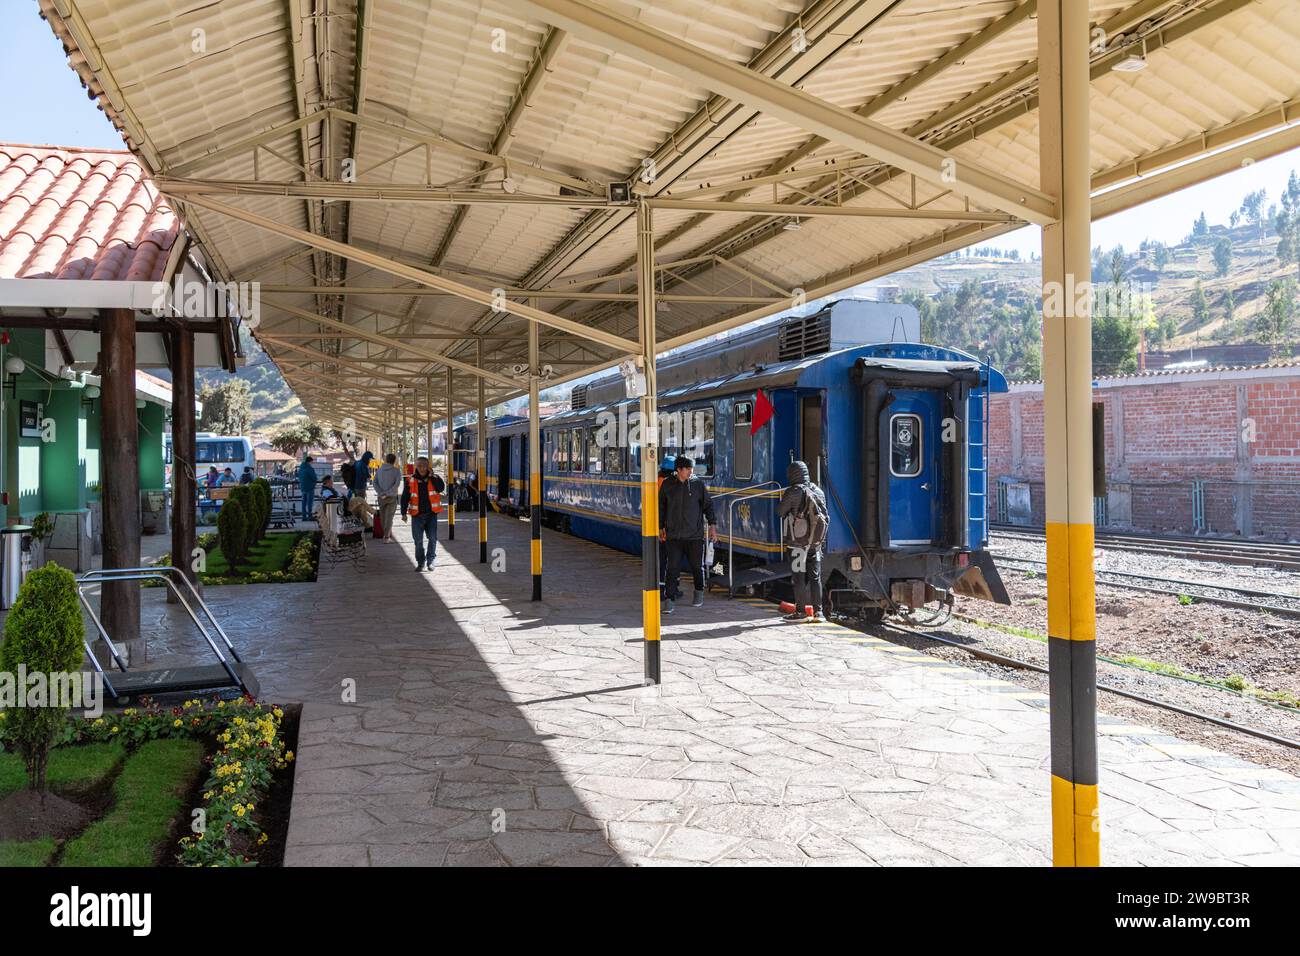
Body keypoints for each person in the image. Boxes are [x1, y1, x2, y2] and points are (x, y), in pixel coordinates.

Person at [658, 455, 716, 613]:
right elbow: (661, 506)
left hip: (694, 536)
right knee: (672, 568)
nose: (691, 471)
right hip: (674, 536)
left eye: (691, 469)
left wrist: (712, 526)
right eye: (688, 469)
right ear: (678, 470)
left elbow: (708, 506)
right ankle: (669, 600)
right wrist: (660, 526)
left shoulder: (697, 484)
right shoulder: (668, 485)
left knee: (697, 568)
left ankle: (698, 592)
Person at [778, 460, 830, 623]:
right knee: (815, 578)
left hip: (797, 545)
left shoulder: (792, 492)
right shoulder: (819, 491)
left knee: (799, 578)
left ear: (792, 474)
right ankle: (818, 613)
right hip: (815, 544)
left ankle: (800, 612)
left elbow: (780, 512)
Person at [401, 456, 446, 572]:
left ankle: (430, 561)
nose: (422, 468)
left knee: (432, 538)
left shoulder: (434, 478)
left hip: (431, 515)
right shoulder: (410, 480)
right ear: (416, 466)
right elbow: (405, 497)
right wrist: (403, 513)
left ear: (428, 467)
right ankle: (421, 563)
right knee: (418, 541)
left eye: (424, 466)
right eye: (419, 466)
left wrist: (433, 476)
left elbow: (441, 488)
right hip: (417, 516)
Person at [373, 453, 403, 542]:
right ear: (394, 461)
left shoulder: (379, 470)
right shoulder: (396, 471)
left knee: (383, 516)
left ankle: (386, 534)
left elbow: (375, 483)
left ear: (385, 460)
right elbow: (397, 484)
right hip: (392, 496)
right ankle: (386, 536)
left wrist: (381, 492)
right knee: (389, 517)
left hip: (381, 497)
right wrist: (388, 492)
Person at [297, 455, 317, 521]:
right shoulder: (309, 468)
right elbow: (314, 477)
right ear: (310, 461)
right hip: (310, 487)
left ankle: (304, 517)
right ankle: (310, 516)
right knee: (309, 503)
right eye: (312, 462)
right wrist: (314, 482)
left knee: (304, 503)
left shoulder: (301, 468)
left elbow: (298, 476)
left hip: (303, 487)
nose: (312, 463)